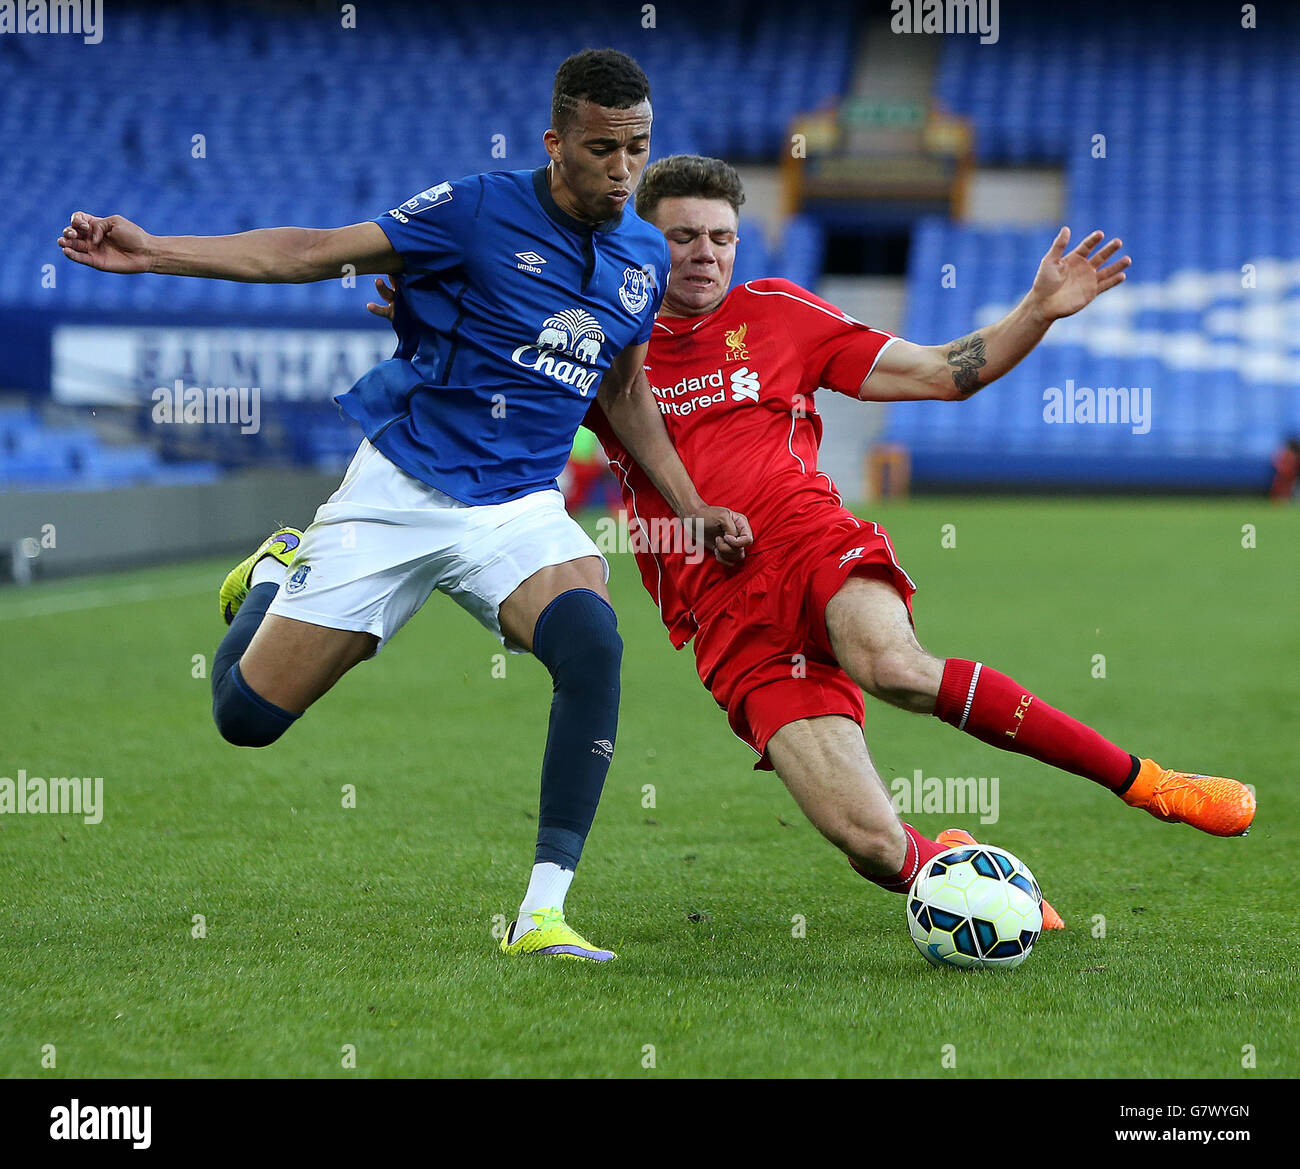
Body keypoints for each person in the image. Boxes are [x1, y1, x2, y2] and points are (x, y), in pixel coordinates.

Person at [376, 154, 1256, 932]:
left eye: (721, 236)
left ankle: (1149, 782)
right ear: (641, 244)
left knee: (896, 666)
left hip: (806, 540)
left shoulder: (781, 314)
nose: (705, 254)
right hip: (717, 611)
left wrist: (1036, 310)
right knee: (869, 844)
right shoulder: (594, 337)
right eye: (682, 237)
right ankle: (953, 869)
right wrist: (425, 314)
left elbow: (944, 374)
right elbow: (478, 368)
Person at [57, 54, 752, 963]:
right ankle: (276, 569)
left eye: (638, 148)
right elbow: (314, 252)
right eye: (602, 148)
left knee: (593, 645)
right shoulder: (475, 209)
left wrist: (690, 503)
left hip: (519, 507)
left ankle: (541, 912)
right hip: (401, 489)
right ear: (555, 144)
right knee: (246, 717)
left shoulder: (639, 256)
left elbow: (622, 394)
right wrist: (156, 253)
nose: (624, 169)